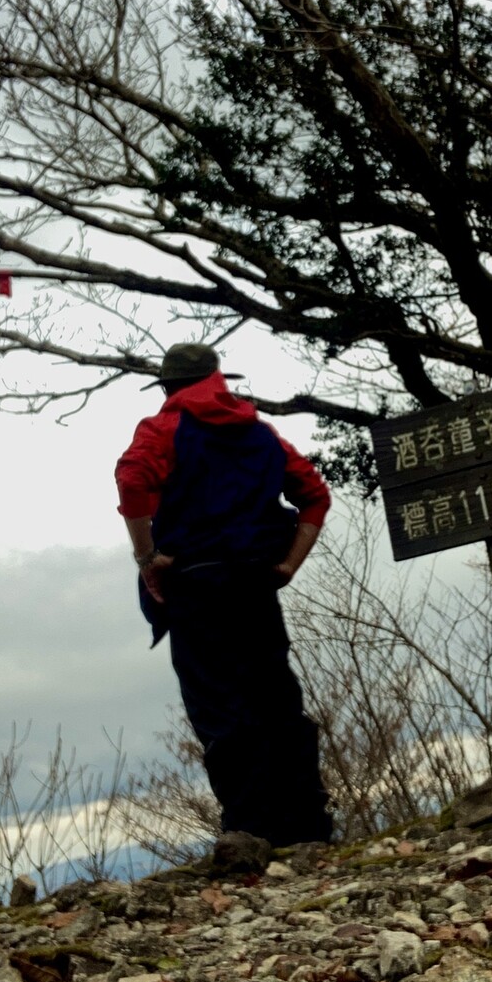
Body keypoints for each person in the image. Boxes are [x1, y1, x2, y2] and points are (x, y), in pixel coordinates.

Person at [115, 342, 333, 850]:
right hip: (256, 585)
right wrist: (289, 564)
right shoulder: (260, 434)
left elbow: (132, 480)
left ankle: (250, 831)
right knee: (276, 701)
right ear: (219, 380)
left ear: (169, 387)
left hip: (197, 587)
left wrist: (147, 558)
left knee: (219, 707)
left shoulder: (162, 429)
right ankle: (308, 828)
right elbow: (315, 496)